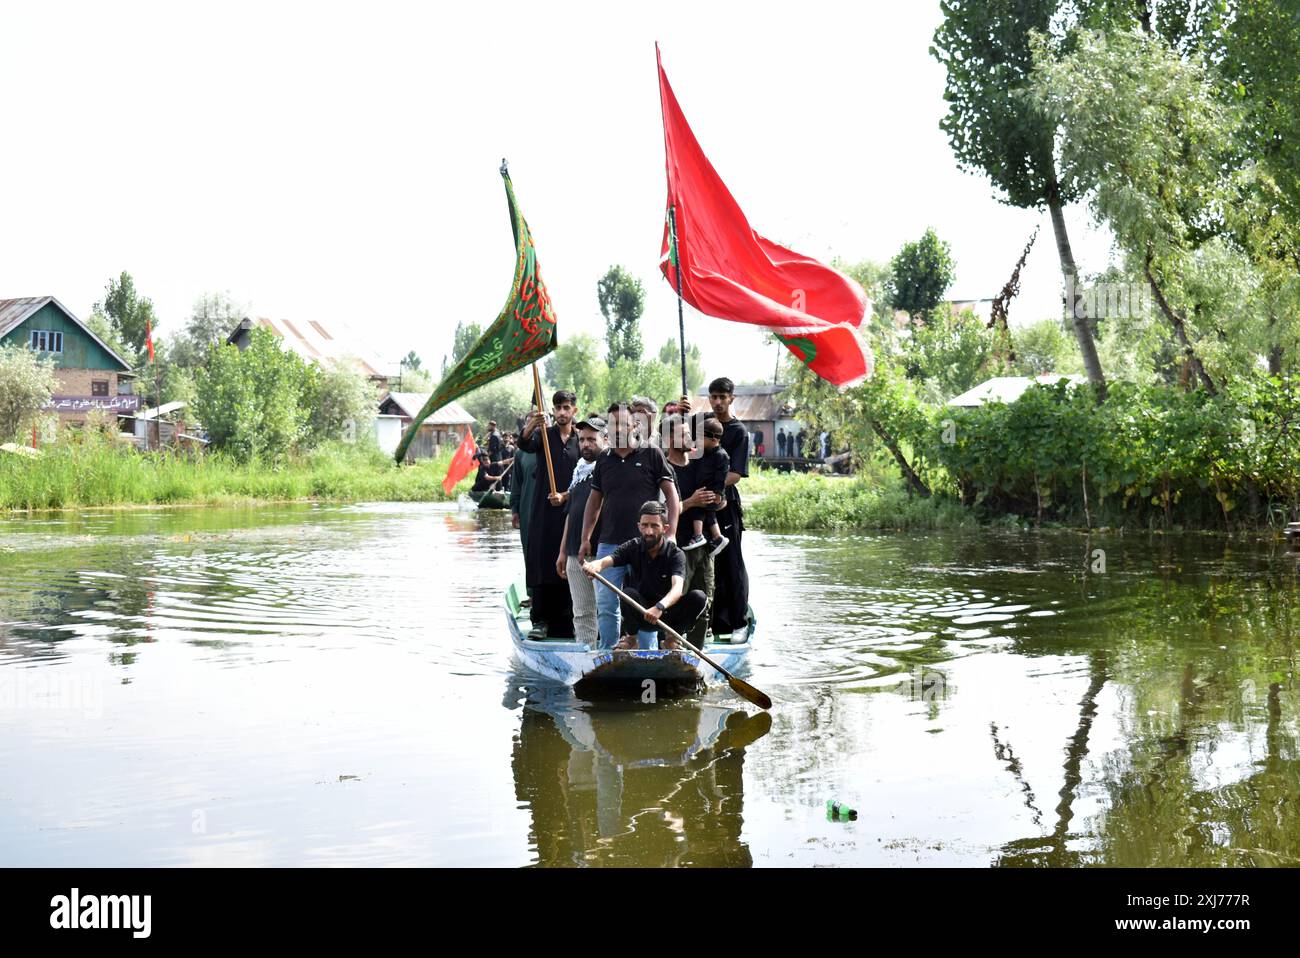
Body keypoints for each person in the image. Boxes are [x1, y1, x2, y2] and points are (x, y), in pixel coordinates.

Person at [578, 402, 681, 649]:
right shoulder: (604, 459)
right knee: (606, 604)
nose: (615, 430)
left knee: (644, 604)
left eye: (621, 425)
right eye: (611, 425)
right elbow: (594, 501)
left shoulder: (652, 454)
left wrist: (673, 534)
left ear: (634, 425)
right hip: (609, 543)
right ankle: (609, 652)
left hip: (647, 547)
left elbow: (672, 496)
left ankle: (648, 654)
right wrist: (585, 538)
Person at [581, 501, 705, 651]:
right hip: (641, 612)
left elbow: (677, 588)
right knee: (628, 594)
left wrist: (659, 607)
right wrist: (594, 566)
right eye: (645, 525)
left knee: (699, 597)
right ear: (639, 526)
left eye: (654, 526)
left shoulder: (675, 554)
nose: (648, 532)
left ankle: (671, 640)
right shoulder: (632, 546)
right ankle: (631, 639)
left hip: (666, 614)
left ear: (665, 529)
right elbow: (607, 561)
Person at [517, 390, 581, 639]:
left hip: (570, 511)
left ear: (574, 410)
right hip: (544, 512)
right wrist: (531, 424)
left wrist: (565, 495)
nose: (562, 412)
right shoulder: (544, 435)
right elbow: (524, 444)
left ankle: (568, 620)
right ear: (553, 411)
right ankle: (540, 620)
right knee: (543, 561)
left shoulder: (580, 440)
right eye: (558, 408)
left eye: (566, 407)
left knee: (569, 562)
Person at [663, 412, 718, 648]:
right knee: (675, 599)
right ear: (668, 438)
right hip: (677, 547)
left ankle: (697, 653)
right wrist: (691, 502)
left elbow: (716, 499)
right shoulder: (662, 469)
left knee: (705, 598)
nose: (689, 436)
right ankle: (671, 644)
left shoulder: (700, 464)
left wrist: (718, 499)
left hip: (702, 547)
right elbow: (660, 514)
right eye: (683, 433)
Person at [555, 416, 608, 648]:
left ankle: (610, 652)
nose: (586, 444)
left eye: (592, 439)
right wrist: (562, 551)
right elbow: (571, 513)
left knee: (607, 610)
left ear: (605, 440)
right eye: (582, 439)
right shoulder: (579, 471)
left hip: (601, 552)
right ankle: (586, 656)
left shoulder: (609, 469)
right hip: (574, 552)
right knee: (582, 611)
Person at [705, 377, 750, 637]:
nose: (718, 402)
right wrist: (682, 411)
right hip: (702, 504)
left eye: (723, 397)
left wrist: (711, 483)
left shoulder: (738, 432)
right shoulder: (702, 424)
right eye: (714, 397)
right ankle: (713, 622)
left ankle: (739, 622)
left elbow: (736, 474)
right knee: (708, 565)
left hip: (726, 504)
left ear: (731, 398)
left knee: (732, 562)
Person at [681, 416, 729, 556]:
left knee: (698, 509)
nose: (698, 440)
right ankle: (717, 537)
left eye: (701, 437)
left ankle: (698, 535)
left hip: (712, 491)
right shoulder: (705, 453)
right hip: (705, 489)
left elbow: (722, 477)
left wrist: (719, 494)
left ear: (714, 439)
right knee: (709, 514)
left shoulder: (721, 456)